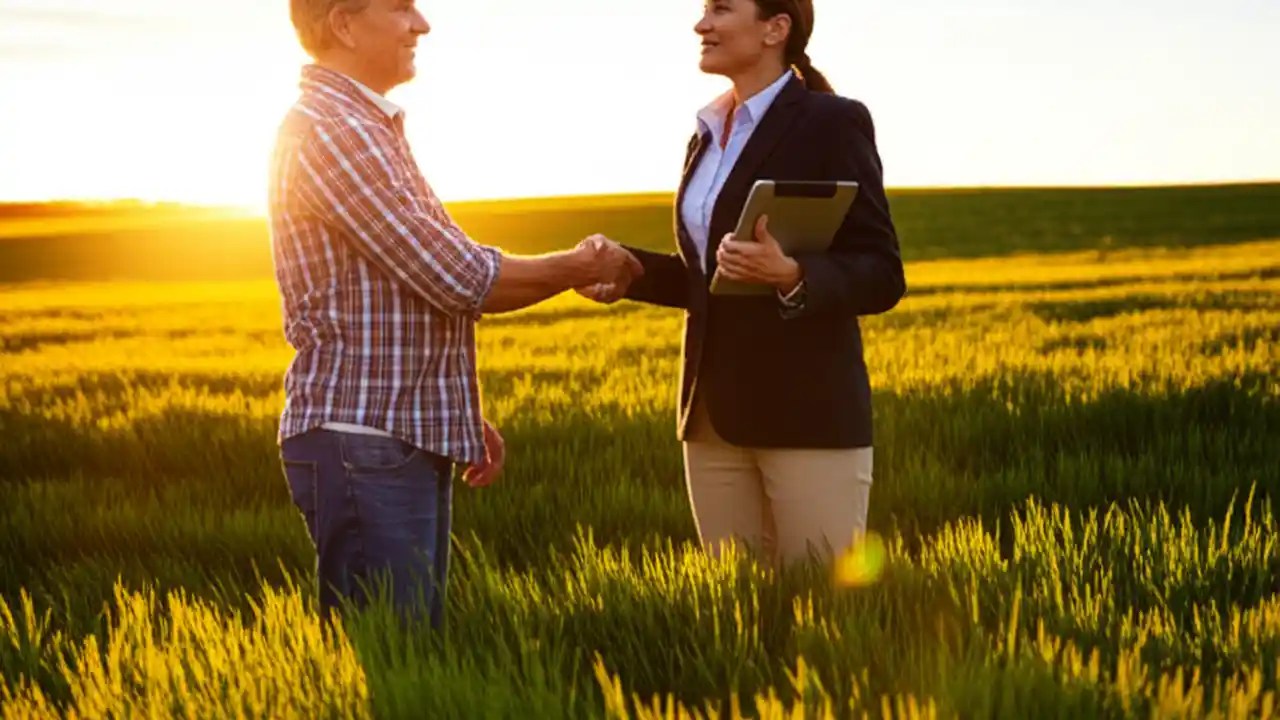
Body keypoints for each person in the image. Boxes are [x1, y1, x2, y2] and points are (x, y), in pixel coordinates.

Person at [270, 0, 642, 625]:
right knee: (395, 655)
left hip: (392, 432)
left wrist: (454, 414)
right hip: (365, 441)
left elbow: (412, 289)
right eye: (401, 7)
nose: (422, 24)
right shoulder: (335, 130)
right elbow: (461, 278)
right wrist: (579, 265)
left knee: (414, 649)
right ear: (342, 23)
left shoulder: (358, 124)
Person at [580, 0, 906, 566]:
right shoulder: (706, 131)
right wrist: (633, 271)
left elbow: (882, 272)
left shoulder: (831, 121)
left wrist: (795, 276)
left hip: (807, 411)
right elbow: (714, 276)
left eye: (721, 9)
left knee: (820, 604)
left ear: (775, 29)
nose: (701, 24)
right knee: (735, 602)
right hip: (709, 417)